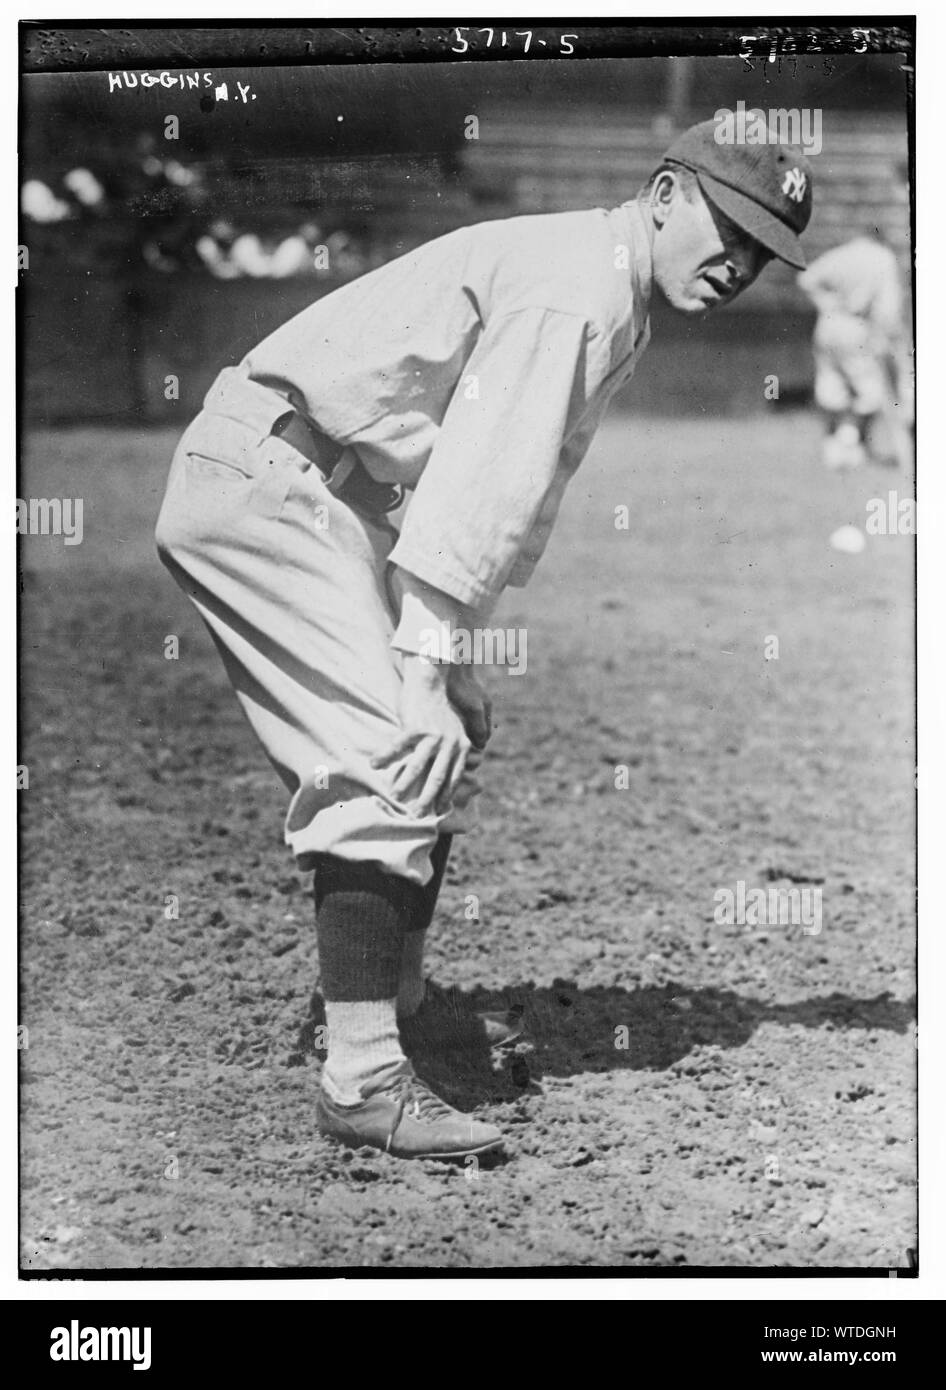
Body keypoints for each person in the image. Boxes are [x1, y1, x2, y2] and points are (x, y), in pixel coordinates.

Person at [155, 120, 812, 1161]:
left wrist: (446, 662)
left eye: (763, 247)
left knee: (440, 733)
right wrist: (421, 662)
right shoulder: (579, 288)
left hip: (328, 489)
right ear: (665, 193)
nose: (740, 261)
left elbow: (506, 487)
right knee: (388, 752)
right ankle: (363, 1078)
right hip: (272, 483)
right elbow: (479, 481)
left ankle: (400, 1005)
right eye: (729, 224)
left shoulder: (603, 285)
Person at [797, 232, 913, 470]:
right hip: (856, 326)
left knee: (831, 386)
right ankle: (848, 441)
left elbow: (806, 279)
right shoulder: (883, 258)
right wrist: (888, 336)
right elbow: (888, 307)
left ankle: (836, 450)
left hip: (828, 323)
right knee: (870, 391)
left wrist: (826, 302)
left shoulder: (842, 253)